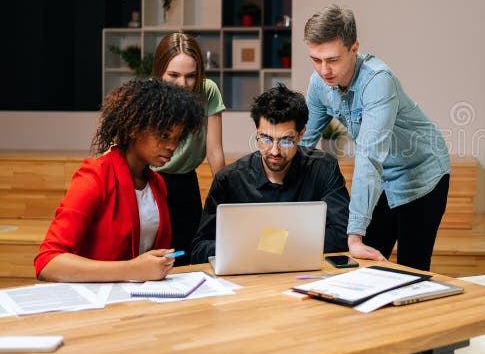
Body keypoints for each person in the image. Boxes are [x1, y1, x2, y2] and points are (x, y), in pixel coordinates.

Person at [299, 4, 450, 271]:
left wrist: (355, 235)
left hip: (422, 174)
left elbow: (369, 157)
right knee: (362, 265)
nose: (324, 71)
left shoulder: (378, 80)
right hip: (384, 179)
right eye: (316, 60)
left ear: (354, 48)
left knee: (410, 271)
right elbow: (303, 144)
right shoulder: (319, 83)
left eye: (332, 60)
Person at [34, 79, 205, 282]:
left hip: (139, 301)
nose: (172, 146)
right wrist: (131, 270)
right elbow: (47, 262)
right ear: (134, 128)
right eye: (164, 135)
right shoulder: (94, 177)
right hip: (97, 303)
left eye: (177, 138)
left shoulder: (157, 184)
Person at [191, 84, 349, 263]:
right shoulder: (230, 179)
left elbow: (341, 235)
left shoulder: (323, 169)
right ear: (256, 131)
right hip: (248, 277)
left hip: (304, 275)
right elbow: (199, 249)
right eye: (265, 139)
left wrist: (269, 243)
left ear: (301, 134)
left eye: (286, 140)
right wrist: (243, 246)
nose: (274, 151)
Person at [151, 32, 226, 266]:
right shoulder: (148, 96)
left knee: (187, 255)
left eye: (190, 76)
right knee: (156, 254)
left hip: (185, 182)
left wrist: (225, 197)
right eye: (173, 75)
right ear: (160, 71)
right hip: (151, 182)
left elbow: (214, 151)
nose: (182, 84)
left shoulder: (208, 91)